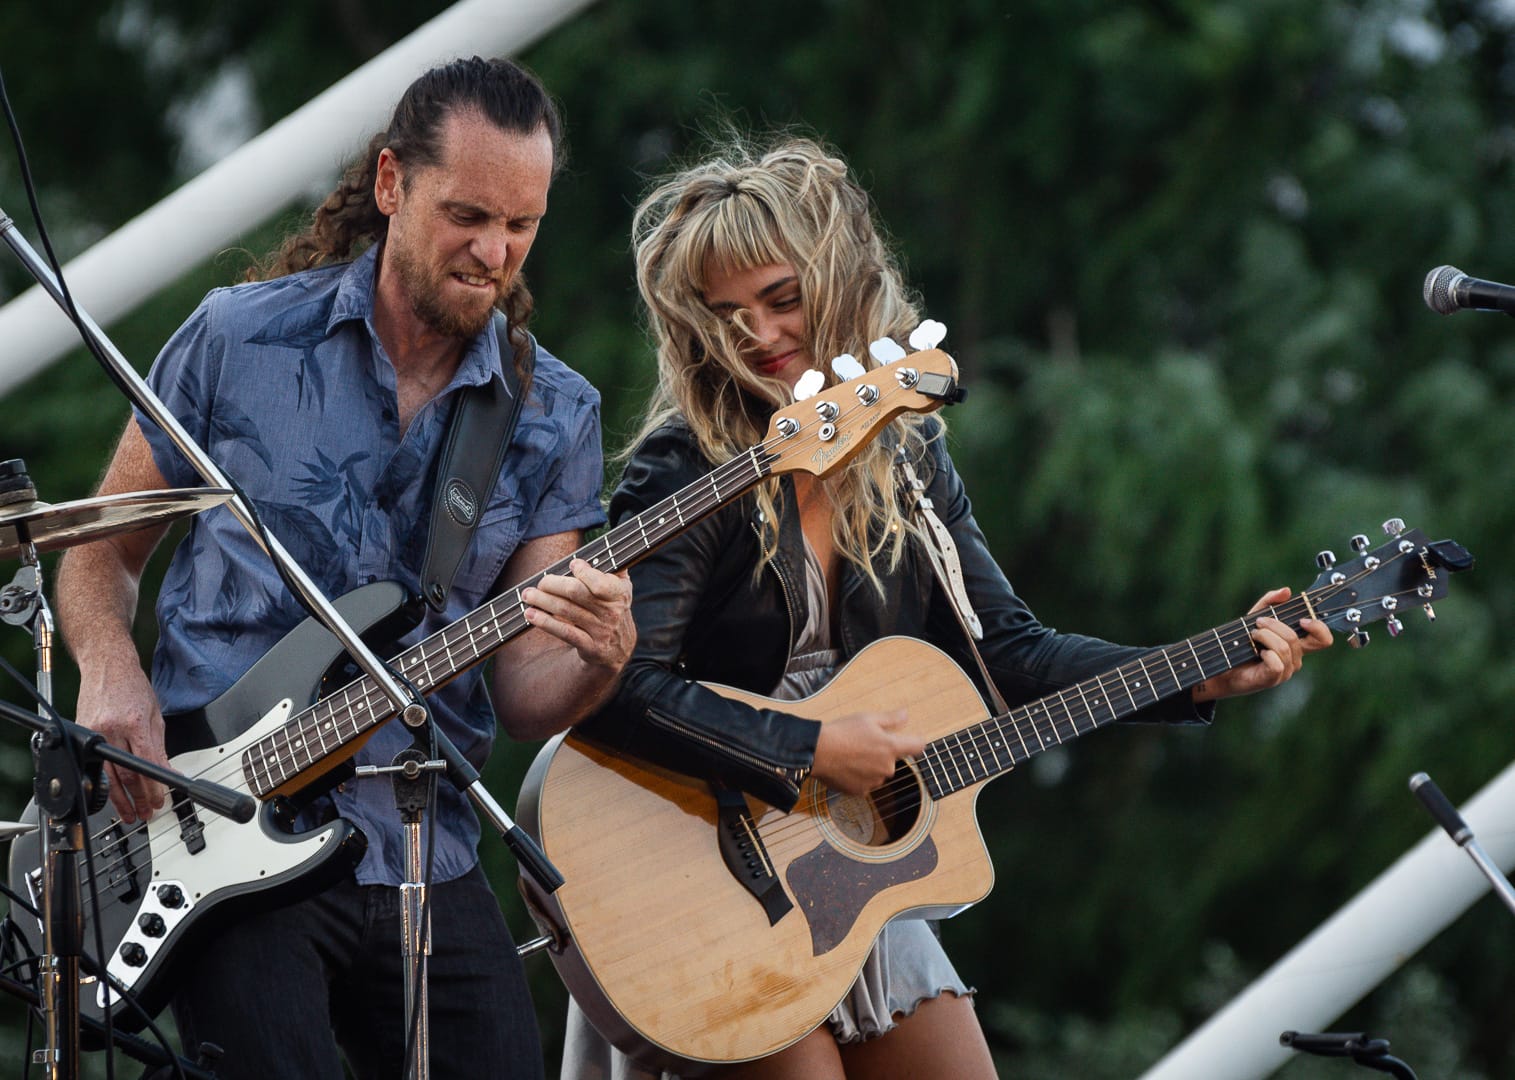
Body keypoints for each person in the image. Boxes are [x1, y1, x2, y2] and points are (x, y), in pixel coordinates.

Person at [558, 135, 1333, 1080]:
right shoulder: (690, 466)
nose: (755, 335)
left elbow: (1007, 652)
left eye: (781, 298)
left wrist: (1195, 673)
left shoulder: (908, 456)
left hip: (851, 878)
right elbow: (612, 687)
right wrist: (807, 748)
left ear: (842, 284)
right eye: (725, 316)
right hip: (701, 876)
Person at [55, 56, 634, 1079]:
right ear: (391, 183)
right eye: (467, 216)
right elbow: (102, 548)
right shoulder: (237, 339)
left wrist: (600, 655)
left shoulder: (555, 414)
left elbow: (525, 694)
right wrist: (109, 669)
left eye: (521, 225)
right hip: (218, 823)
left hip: (423, 840)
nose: (494, 252)